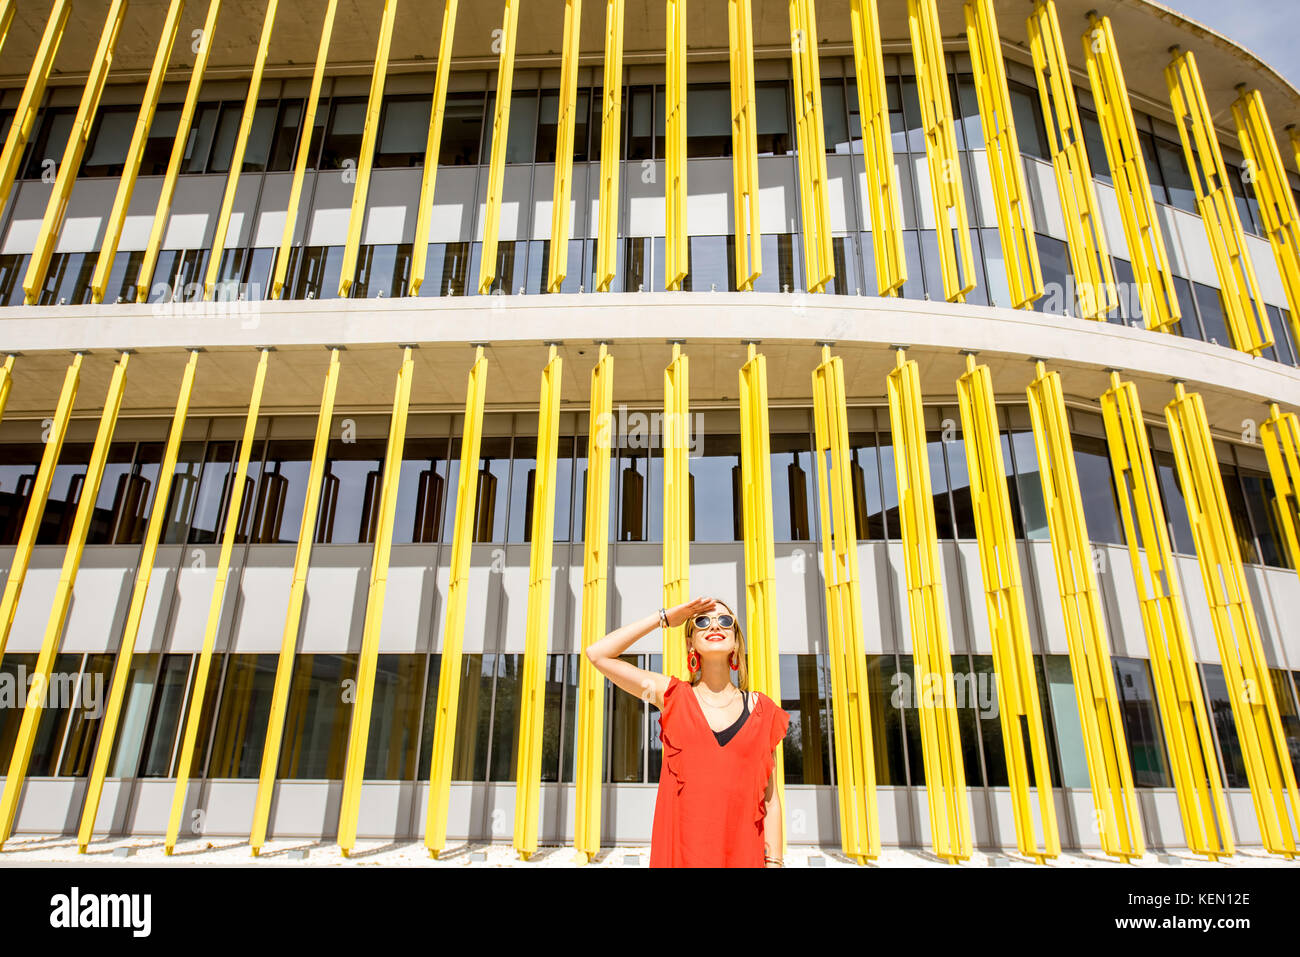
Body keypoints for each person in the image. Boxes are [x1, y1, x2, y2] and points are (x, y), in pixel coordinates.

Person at [585, 596, 790, 867]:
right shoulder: (671, 696)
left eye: (725, 621)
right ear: (690, 643)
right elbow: (598, 654)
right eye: (702, 621)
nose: (715, 626)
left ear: (737, 641)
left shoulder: (763, 711)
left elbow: (771, 800)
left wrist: (774, 862)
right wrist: (666, 617)